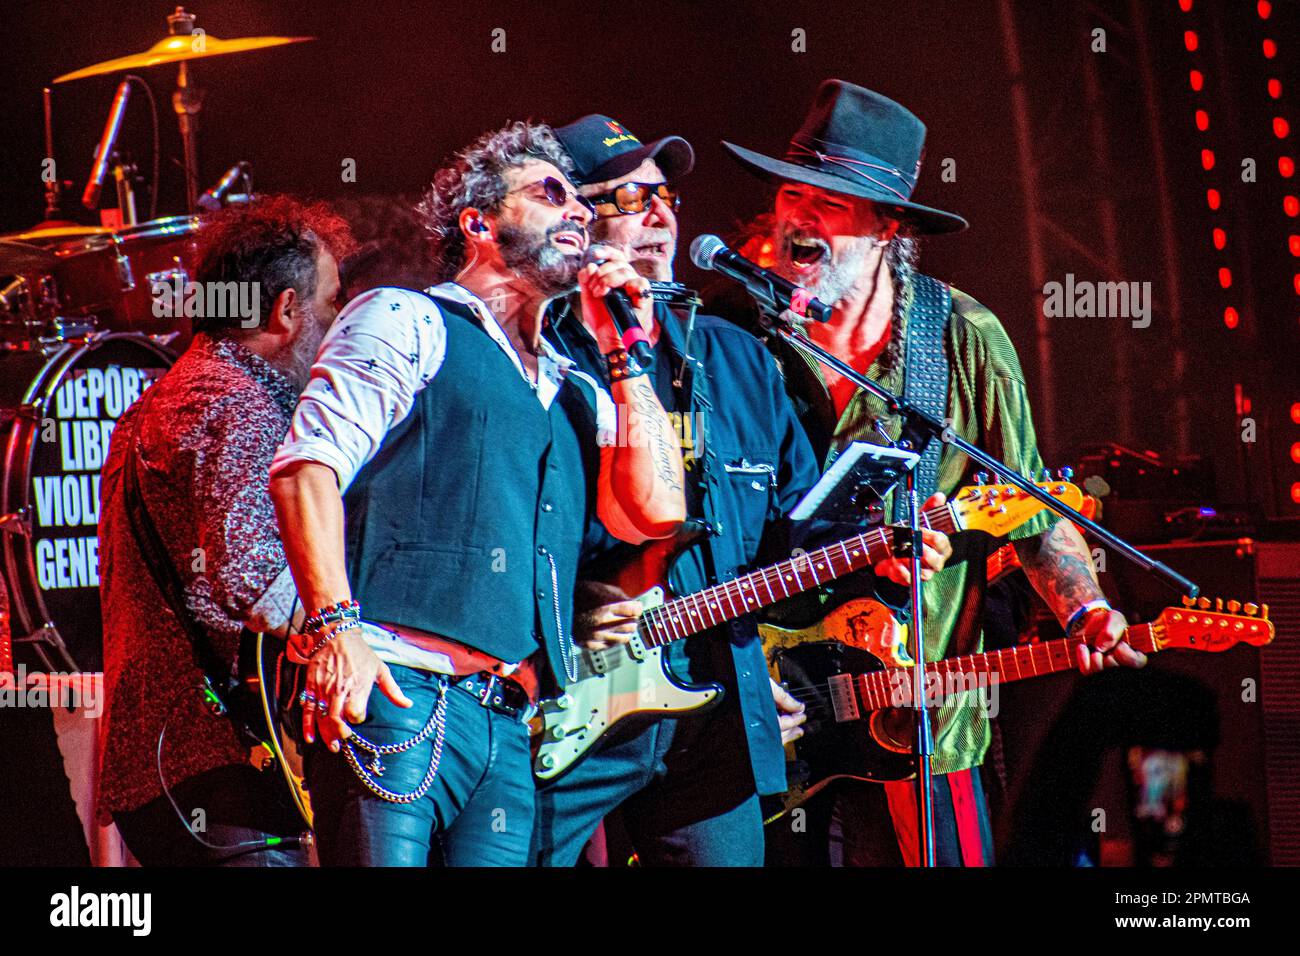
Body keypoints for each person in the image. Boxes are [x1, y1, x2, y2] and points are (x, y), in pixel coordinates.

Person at [711, 79, 1146, 866]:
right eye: (789, 194)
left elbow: (1035, 515)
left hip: (915, 723)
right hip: (762, 714)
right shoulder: (733, 333)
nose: (797, 219)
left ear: (888, 226)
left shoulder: (963, 340)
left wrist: (1085, 610)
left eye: (829, 205)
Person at [533, 114, 950, 866]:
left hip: (716, 707)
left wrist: (871, 558)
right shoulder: (538, 351)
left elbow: (787, 547)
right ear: (572, 221)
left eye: (665, 197)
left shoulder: (741, 359)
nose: (661, 215)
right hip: (571, 706)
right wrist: (559, 610)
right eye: (630, 201)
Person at [268, 121, 685, 867]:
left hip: (508, 724)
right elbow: (307, 468)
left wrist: (630, 357)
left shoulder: (574, 387)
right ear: (480, 222)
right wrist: (337, 632)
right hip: (397, 696)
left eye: (581, 206)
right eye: (549, 195)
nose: (579, 215)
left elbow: (655, 511)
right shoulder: (407, 318)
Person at [98, 196, 354, 866]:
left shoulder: (170, 394)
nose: (334, 328)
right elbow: (256, 580)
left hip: (171, 765)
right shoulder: (231, 403)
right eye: (329, 307)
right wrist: (366, 633)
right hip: (216, 766)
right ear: (286, 311)